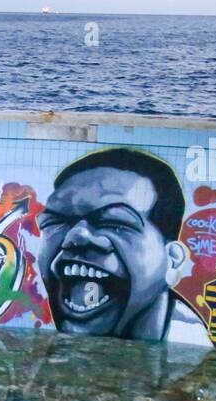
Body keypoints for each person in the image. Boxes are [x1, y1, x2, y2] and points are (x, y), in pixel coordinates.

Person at [38, 147, 207, 344]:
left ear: (173, 262)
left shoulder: (200, 368)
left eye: (115, 222)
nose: (75, 235)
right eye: (55, 222)